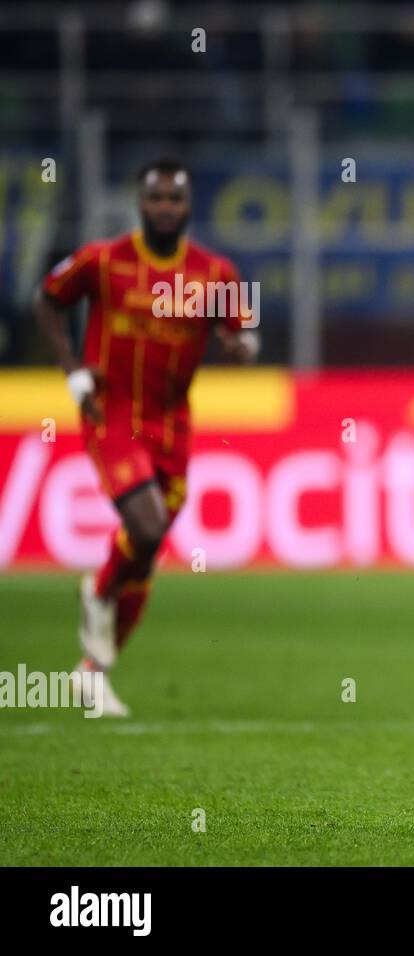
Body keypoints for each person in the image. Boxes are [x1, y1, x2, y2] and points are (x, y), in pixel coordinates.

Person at [34, 157, 259, 717]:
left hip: (173, 425)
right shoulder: (103, 260)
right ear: (139, 202)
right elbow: (47, 299)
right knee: (147, 524)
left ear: (188, 206)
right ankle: (100, 592)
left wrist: (242, 348)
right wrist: (72, 370)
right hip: (111, 413)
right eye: (155, 197)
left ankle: (93, 669)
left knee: (150, 546)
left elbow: (245, 335)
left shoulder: (214, 274)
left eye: (174, 199)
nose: (164, 207)